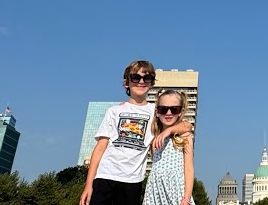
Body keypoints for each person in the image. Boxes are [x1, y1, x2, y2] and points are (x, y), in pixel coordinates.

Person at [80, 61, 192, 205]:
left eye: (147, 78)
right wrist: (89, 184)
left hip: (133, 180)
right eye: (135, 77)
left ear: (152, 83)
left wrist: (168, 131)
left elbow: (186, 125)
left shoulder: (157, 111)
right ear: (126, 83)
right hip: (105, 175)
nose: (141, 82)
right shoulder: (114, 111)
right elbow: (100, 148)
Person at [143, 90, 195, 205]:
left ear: (180, 112)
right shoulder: (152, 135)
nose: (168, 113)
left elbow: (189, 168)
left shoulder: (184, 136)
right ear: (157, 112)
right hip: (155, 190)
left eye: (174, 109)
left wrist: (186, 197)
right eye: (163, 109)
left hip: (176, 190)